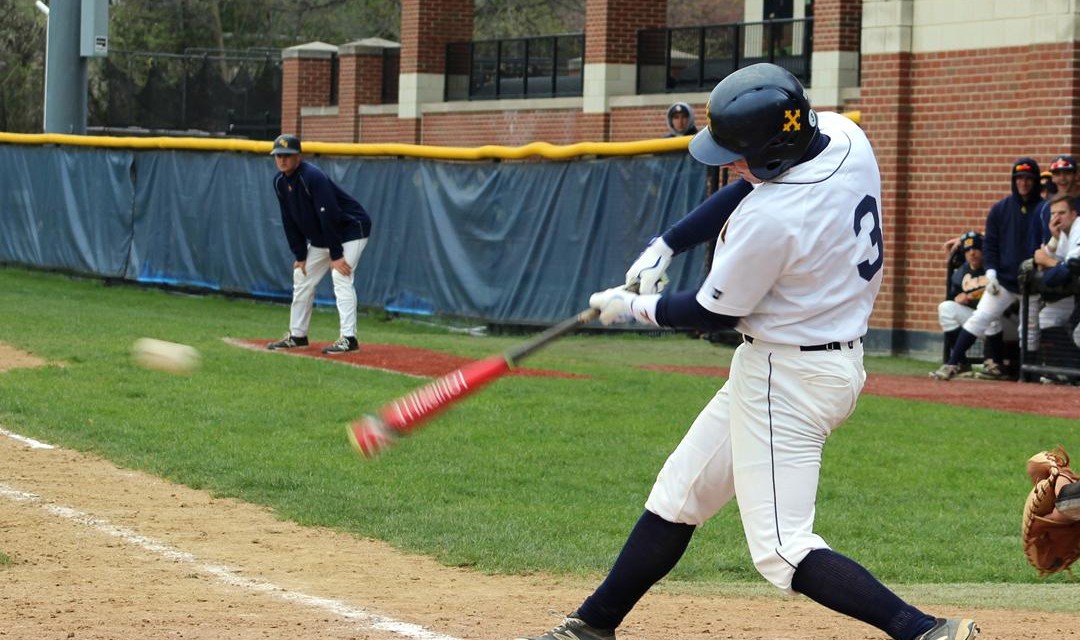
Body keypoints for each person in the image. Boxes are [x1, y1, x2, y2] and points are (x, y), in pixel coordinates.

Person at [518, 64, 978, 640]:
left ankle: (923, 631)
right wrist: (670, 242)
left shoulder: (774, 218)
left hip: (788, 376)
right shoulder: (842, 136)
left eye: (741, 155)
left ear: (775, 154)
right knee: (681, 493)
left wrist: (631, 308)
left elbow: (712, 313)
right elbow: (752, 181)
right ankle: (593, 624)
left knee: (783, 550)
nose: (731, 165)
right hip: (808, 360)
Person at [930, 158, 1043, 380]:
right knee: (980, 317)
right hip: (1004, 280)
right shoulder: (1000, 209)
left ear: (1035, 181)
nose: (1024, 183)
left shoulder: (1043, 209)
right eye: (1019, 178)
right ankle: (953, 363)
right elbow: (990, 244)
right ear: (1014, 181)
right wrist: (991, 272)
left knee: (1029, 330)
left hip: (1032, 282)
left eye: (1029, 179)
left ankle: (1027, 376)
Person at [265, 134, 373, 354]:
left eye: (287, 155)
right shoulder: (279, 182)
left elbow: (328, 214)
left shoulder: (312, 176)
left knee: (340, 275)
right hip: (323, 237)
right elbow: (288, 219)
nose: (282, 160)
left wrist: (336, 255)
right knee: (301, 275)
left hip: (351, 230)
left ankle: (349, 339)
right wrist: (300, 255)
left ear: (299, 156)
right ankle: (298, 336)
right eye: (278, 155)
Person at [936, 231, 1013, 374]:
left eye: (976, 248)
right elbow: (953, 297)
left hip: (1008, 323)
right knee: (945, 308)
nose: (972, 253)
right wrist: (957, 299)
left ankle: (996, 363)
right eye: (967, 250)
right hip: (979, 323)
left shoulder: (995, 268)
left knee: (990, 313)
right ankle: (961, 362)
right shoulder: (961, 273)